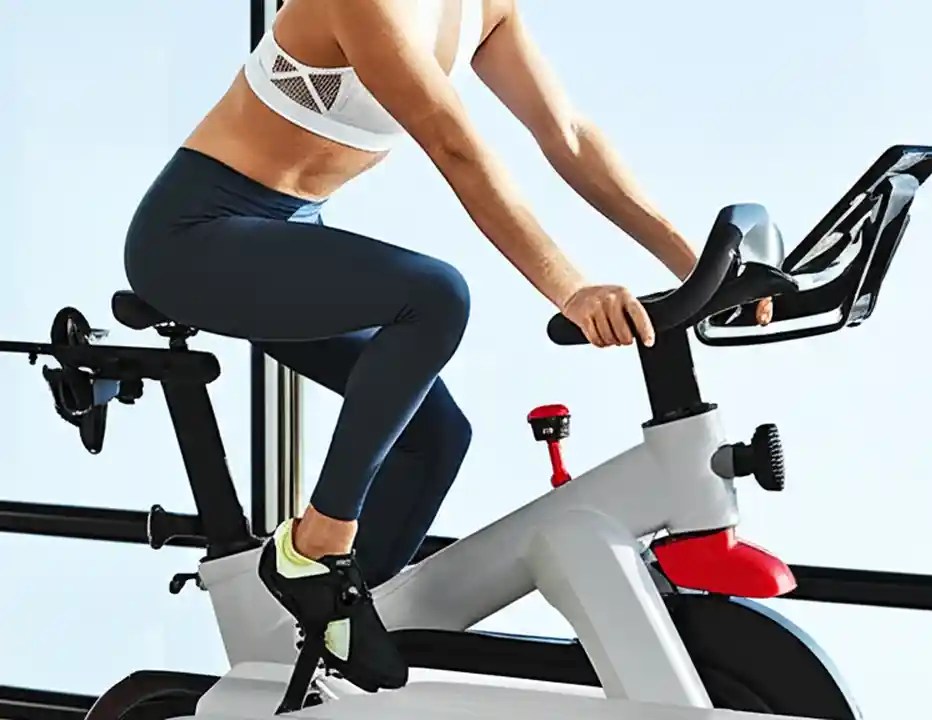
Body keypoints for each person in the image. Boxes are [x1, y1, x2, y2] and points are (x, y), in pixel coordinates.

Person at [123, 0, 773, 692]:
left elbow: (569, 135)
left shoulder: (486, 9)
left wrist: (691, 260)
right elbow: (454, 144)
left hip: (287, 230)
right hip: (194, 239)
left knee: (436, 437)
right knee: (435, 298)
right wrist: (572, 290)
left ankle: (315, 635)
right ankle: (313, 554)